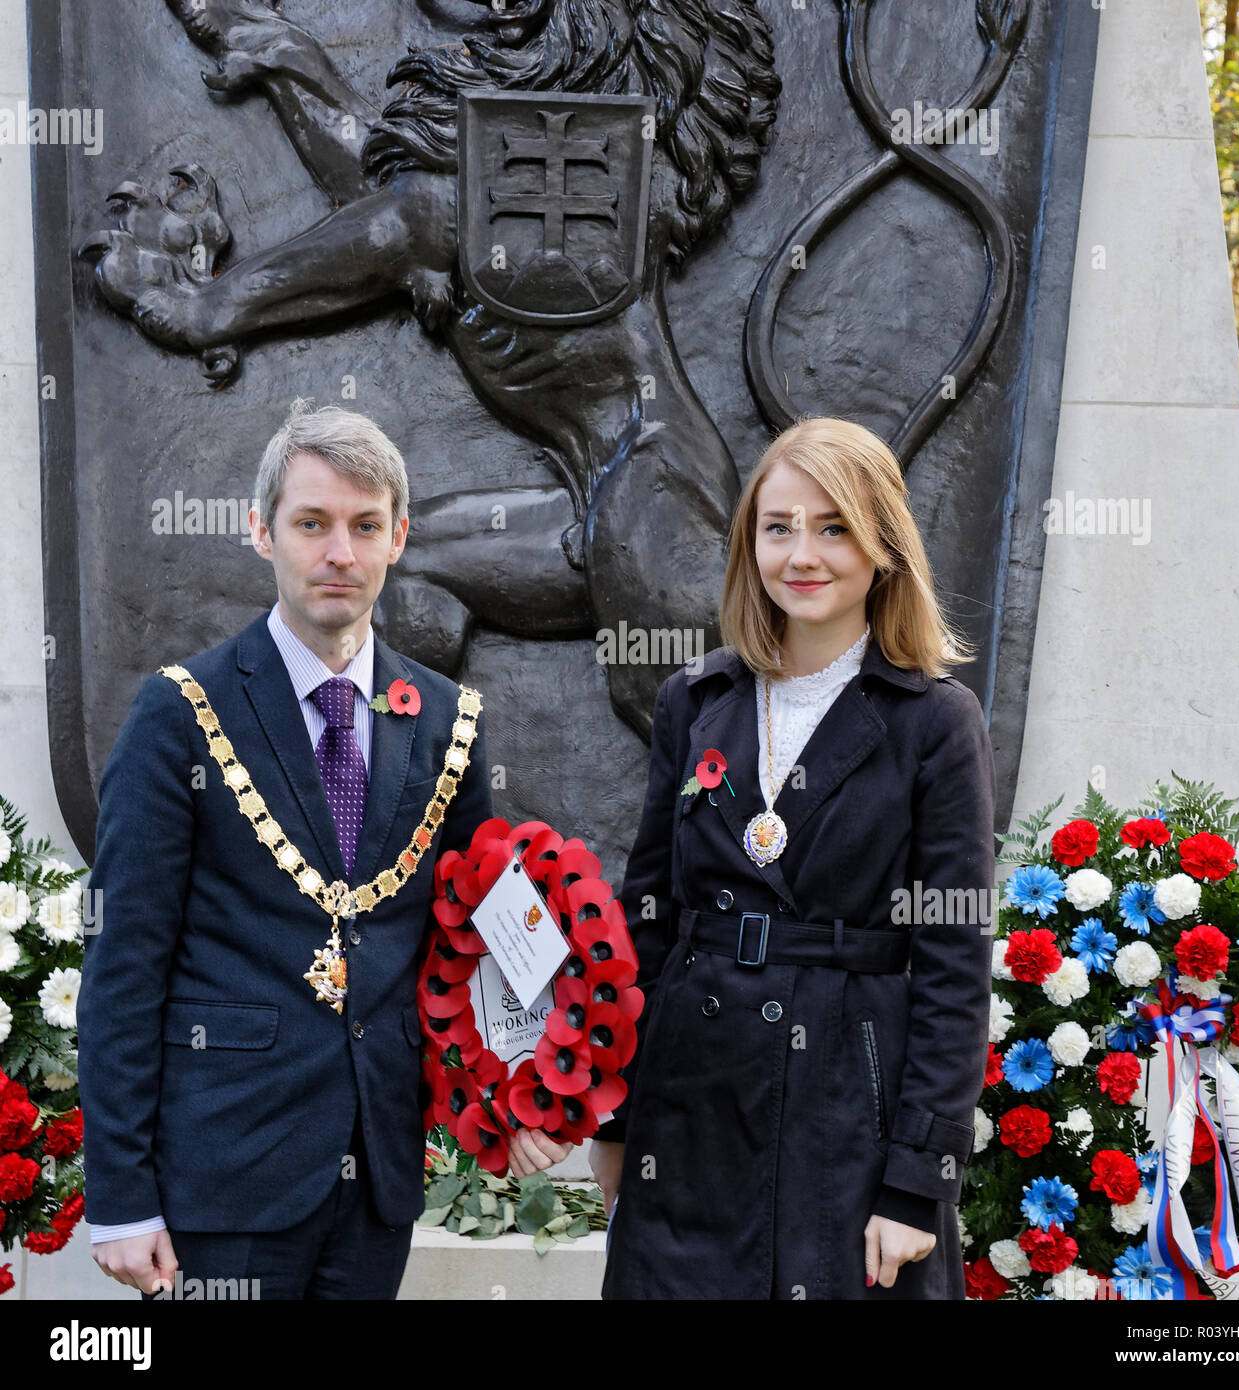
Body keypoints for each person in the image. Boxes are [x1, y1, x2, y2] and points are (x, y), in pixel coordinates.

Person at [79, 399, 569, 1300]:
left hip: (376, 1169)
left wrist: (522, 1080)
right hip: (224, 1170)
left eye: (363, 525)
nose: (338, 552)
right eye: (312, 523)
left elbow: (476, 937)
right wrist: (118, 1196)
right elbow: (123, 962)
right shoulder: (178, 715)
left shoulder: (447, 722)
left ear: (399, 538)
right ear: (262, 532)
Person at [588, 416, 997, 1300]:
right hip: (690, 1116)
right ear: (750, 545)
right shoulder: (693, 700)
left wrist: (917, 1182)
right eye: (779, 528)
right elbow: (645, 927)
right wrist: (615, 1120)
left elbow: (954, 970)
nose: (802, 554)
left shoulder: (935, 722)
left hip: (847, 1120)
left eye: (833, 527)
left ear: (883, 543)